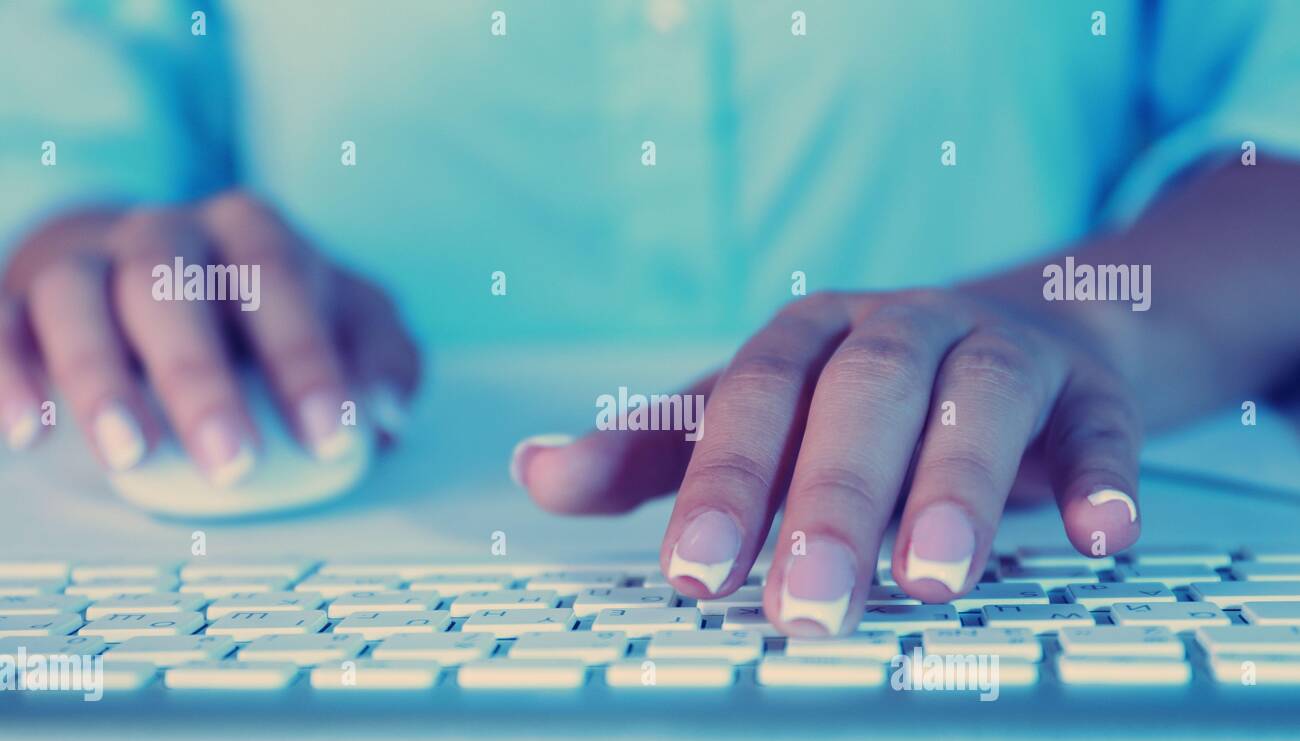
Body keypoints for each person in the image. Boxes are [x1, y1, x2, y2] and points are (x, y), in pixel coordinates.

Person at [2, 1, 1299, 635]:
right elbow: (49, 132)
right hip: (323, 537)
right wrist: (90, 254)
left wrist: (1093, 330)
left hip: (1037, 534)